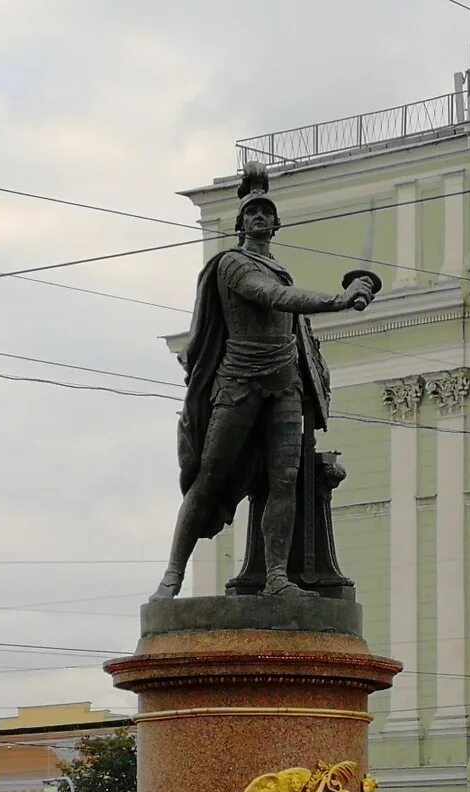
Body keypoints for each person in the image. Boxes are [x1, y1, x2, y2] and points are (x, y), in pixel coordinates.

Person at [150, 162, 376, 601]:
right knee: (211, 476)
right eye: (251, 212)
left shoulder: (280, 269)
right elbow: (272, 298)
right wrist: (338, 299)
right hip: (239, 382)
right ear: (241, 223)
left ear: (276, 223)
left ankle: (277, 577)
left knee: (284, 480)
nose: (258, 217)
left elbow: (295, 327)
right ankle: (171, 578)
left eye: (265, 212)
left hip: (284, 383)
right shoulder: (233, 265)